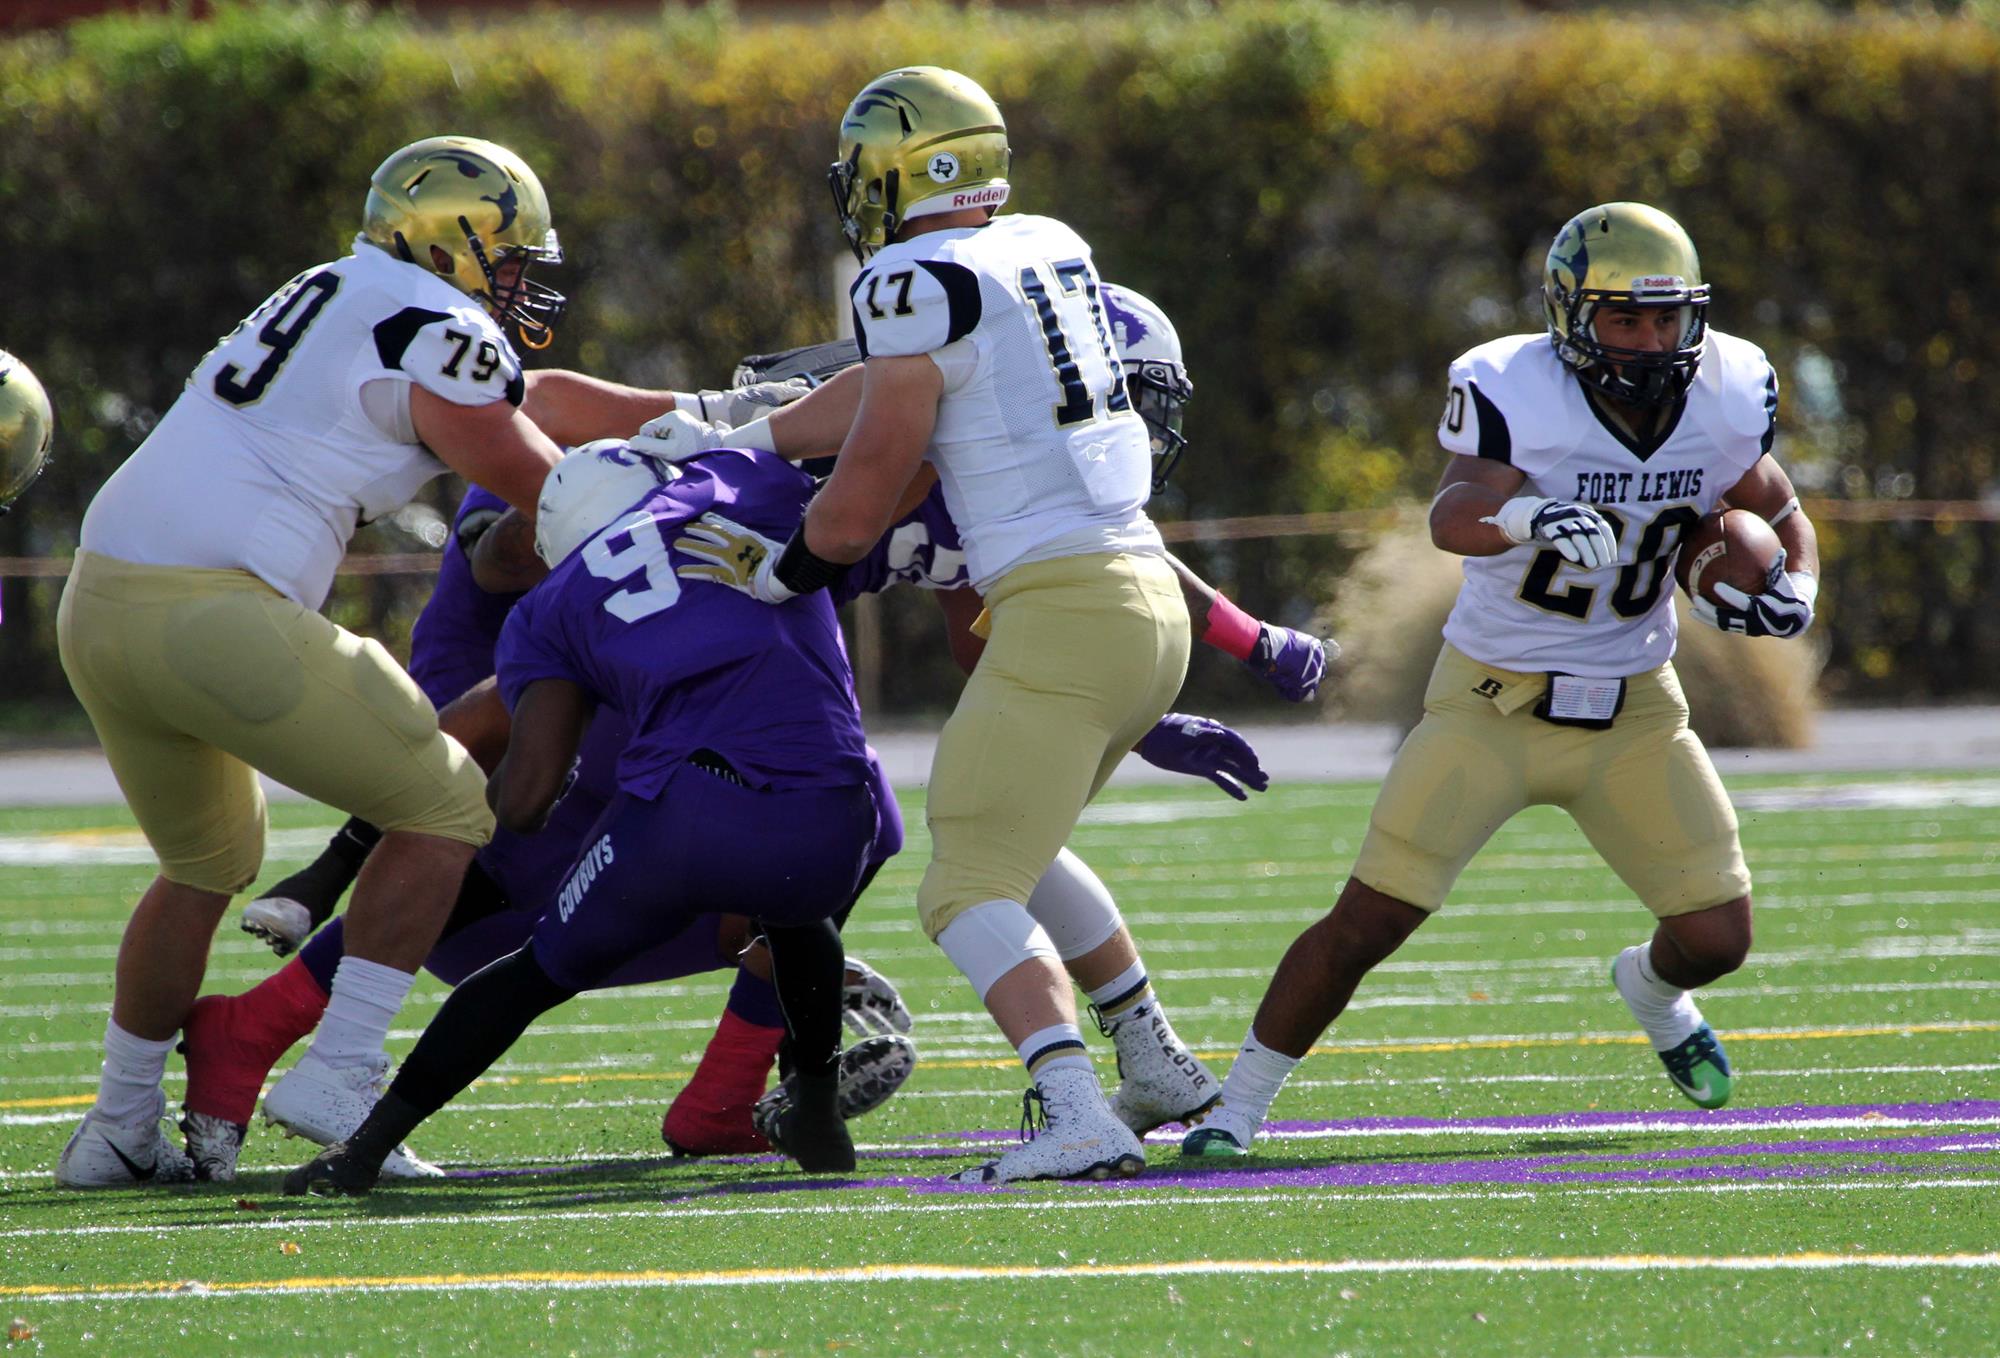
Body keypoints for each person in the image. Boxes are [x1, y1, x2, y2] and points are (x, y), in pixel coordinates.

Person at [50, 134, 714, 1188]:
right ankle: (344, 1070)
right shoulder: (439, 327)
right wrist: (700, 501)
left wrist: (706, 419)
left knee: (206, 862)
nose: (519, 279)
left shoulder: (340, 288)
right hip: (213, 607)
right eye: (509, 255)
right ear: (453, 241)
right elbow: (543, 481)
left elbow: (532, 400)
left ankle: (120, 1123)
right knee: (449, 801)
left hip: (101, 596)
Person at [658, 66, 1210, 1185]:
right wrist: (738, 438)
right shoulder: (1038, 243)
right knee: (1020, 843)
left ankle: (1070, 1105)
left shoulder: (911, 274)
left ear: (898, 172)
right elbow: (879, 390)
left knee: (962, 884)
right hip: (1142, 599)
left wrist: (784, 569)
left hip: (1059, 608)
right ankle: (1152, 1060)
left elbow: (877, 468)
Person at [1182, 201, 1821, 1158]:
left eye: (1667, 319)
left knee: (1720, 938)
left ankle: (1650, 988)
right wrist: (1528, 519)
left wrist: (1796, 586)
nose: (1651, 341)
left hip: (1637, 709)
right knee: (1370, 920)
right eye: (1624, 319)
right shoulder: (1512, 385)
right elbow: (1455, 512)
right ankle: (1234, 1110)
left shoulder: (1729, 389)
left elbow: (1777, 503)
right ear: (1570, 315)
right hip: (1493, 700)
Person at [180, 475, 916, 1178]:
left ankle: (737, 1082)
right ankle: (277, 1029)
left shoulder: (702, 474)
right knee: (534, 865)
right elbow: (495, 587)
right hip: (507, 708)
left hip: (619, 724)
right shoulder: (570, 467)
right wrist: (333, 867)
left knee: (834, 822)